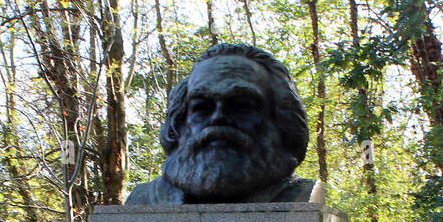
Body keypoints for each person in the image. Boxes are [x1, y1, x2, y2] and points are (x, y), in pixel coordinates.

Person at [124, 42, 323, 205]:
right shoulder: (143, 200)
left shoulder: (299, 198)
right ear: (180, 120)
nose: (218, 117)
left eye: (241, 106)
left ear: (280, 119)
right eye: (202, 106)